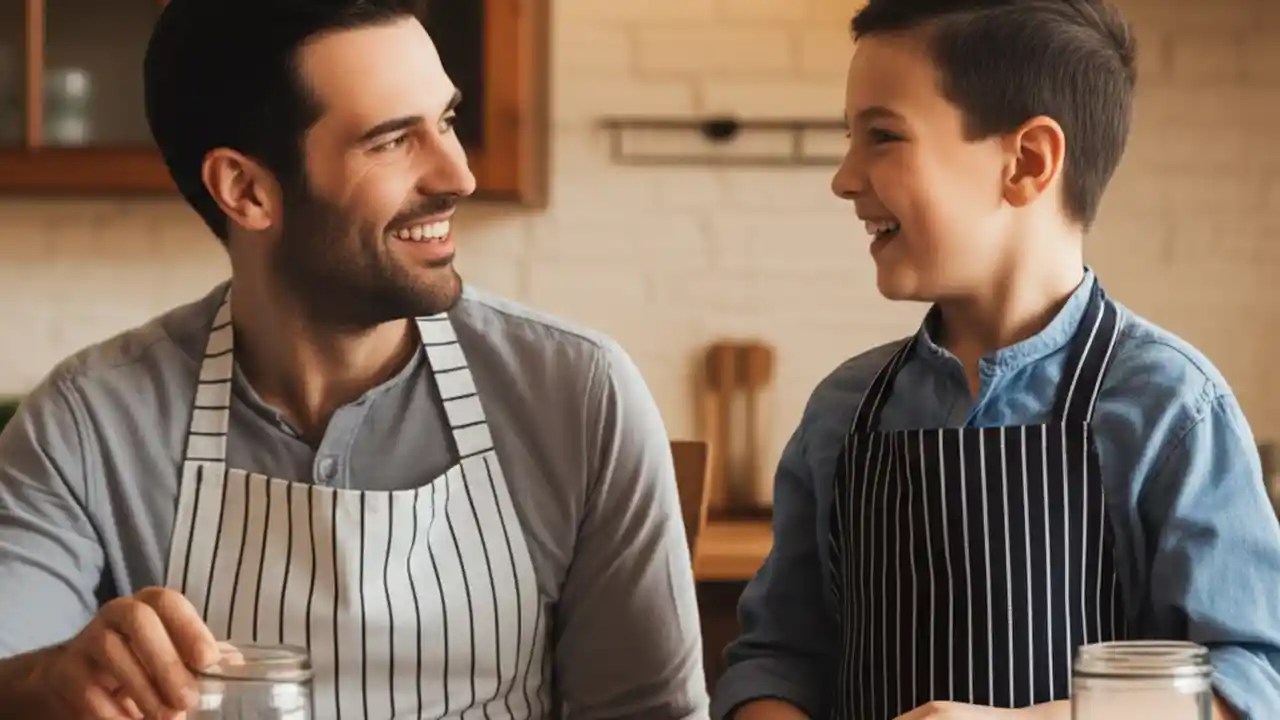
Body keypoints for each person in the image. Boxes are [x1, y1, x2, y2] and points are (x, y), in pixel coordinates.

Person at [0, 0, 707, 717]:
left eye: (448, 122)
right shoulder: (88, 424)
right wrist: (46, 682)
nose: (458, 173)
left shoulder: (578, 394)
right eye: (393, 140)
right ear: (245, 190)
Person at [712, 0, 1280, 718]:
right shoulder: (843, 412)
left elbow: (1253, 678)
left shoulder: (1170, 406)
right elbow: (779, 658)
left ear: (1028, 161)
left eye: (882, 137)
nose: (845, 177)